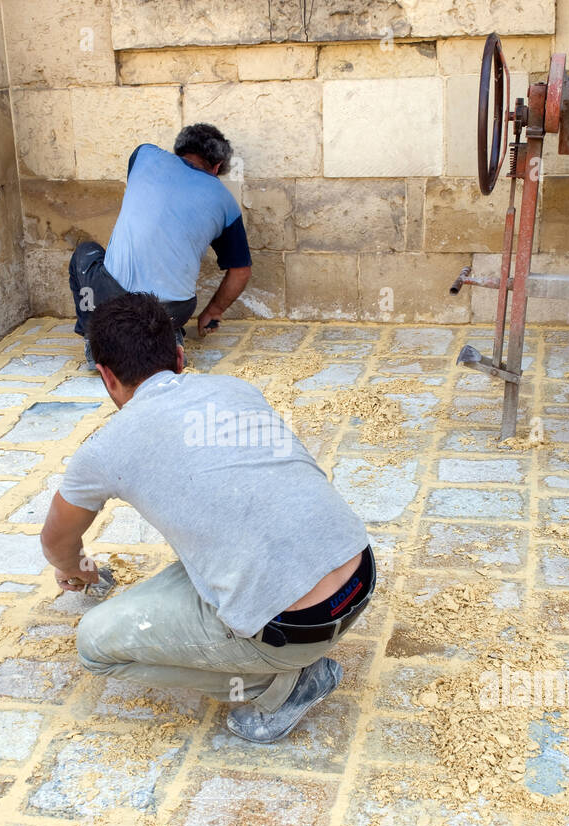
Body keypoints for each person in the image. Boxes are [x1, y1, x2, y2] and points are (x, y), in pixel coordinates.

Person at [40, 293, 375, 742]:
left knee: (95, 644)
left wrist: (79, 572)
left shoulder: (103, 449)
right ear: (179, 357)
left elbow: (57, 542)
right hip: (361, 574)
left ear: (106, 377)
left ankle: (282, 686)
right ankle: (281, 658)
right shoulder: (236, 388)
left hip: (297, 629)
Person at [67, 124, 253, 370]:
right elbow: (241, 271)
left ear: (179, 151)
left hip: (113, 297)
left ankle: (95, 338)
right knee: (161, 310)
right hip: (175, 309)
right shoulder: (226, 202)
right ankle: (168, 335)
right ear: (217, 166)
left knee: (85, 252)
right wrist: (214, 311)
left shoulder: (144, 155)